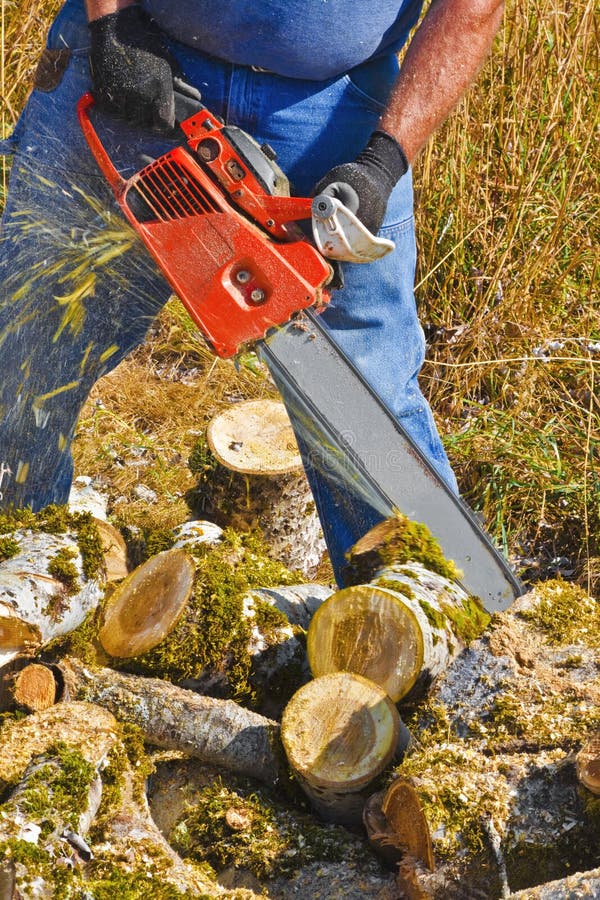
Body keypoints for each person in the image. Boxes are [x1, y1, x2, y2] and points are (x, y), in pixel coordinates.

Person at [0, 0, 503, 582]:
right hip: (136, 58)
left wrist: (384, 161)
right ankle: (21, 587)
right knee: (26, 346)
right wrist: (113, 27)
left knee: (369, 401)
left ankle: (418, 623)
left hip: (332, 105)